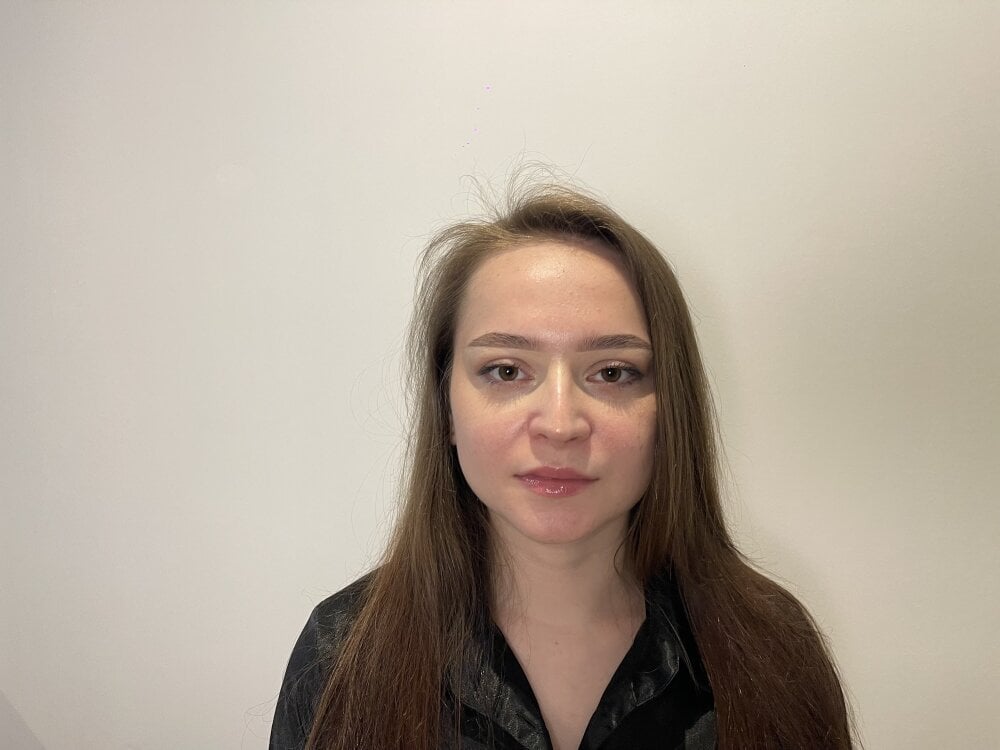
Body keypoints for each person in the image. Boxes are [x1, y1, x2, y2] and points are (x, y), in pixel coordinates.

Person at [269, 184, 855, 750]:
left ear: (671, 409)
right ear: (445, 406)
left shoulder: (773, 648)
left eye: (612, 372)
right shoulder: (343, 653)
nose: (559, 423)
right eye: (506, 371)